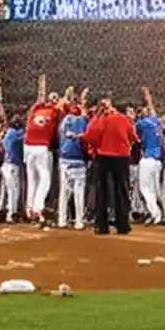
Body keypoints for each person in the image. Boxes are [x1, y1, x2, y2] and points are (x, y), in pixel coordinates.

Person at [81, 99, 138, 235]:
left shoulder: (100, 119)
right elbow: (134, 137)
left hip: (103, 156)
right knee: (122, 190)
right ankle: (123, 225)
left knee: (102, 191)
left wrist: (97, 117)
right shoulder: (124, 119)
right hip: (122, 157)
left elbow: (90, 136)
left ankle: (102, 226)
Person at [24, 76, 62, 224]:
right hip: (41, 146)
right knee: (45, 179)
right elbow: (60, 109)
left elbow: (35, 106)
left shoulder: (36, 110)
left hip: (27, 145)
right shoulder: (54, 111)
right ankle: (38, 209)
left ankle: (29, 208)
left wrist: (41, 94)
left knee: (32, 179)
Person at [57, 94, 90, 230]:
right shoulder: (82, 121)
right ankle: (79, 221)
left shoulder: (64, 120)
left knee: (64, 191)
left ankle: (62, 220)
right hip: (77, 159)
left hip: (64, 159)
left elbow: (59, 134)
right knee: (78, 192)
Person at [134, 88, 165, 225]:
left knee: (144, 188)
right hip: (157, 161)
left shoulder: (142, 124)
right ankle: (157, 214)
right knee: (152, 189)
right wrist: (148, 97)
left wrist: (136, 115)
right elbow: (152, 109)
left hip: (147, 159)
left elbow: (133, 126)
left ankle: (155, 213)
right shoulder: (156, 121)